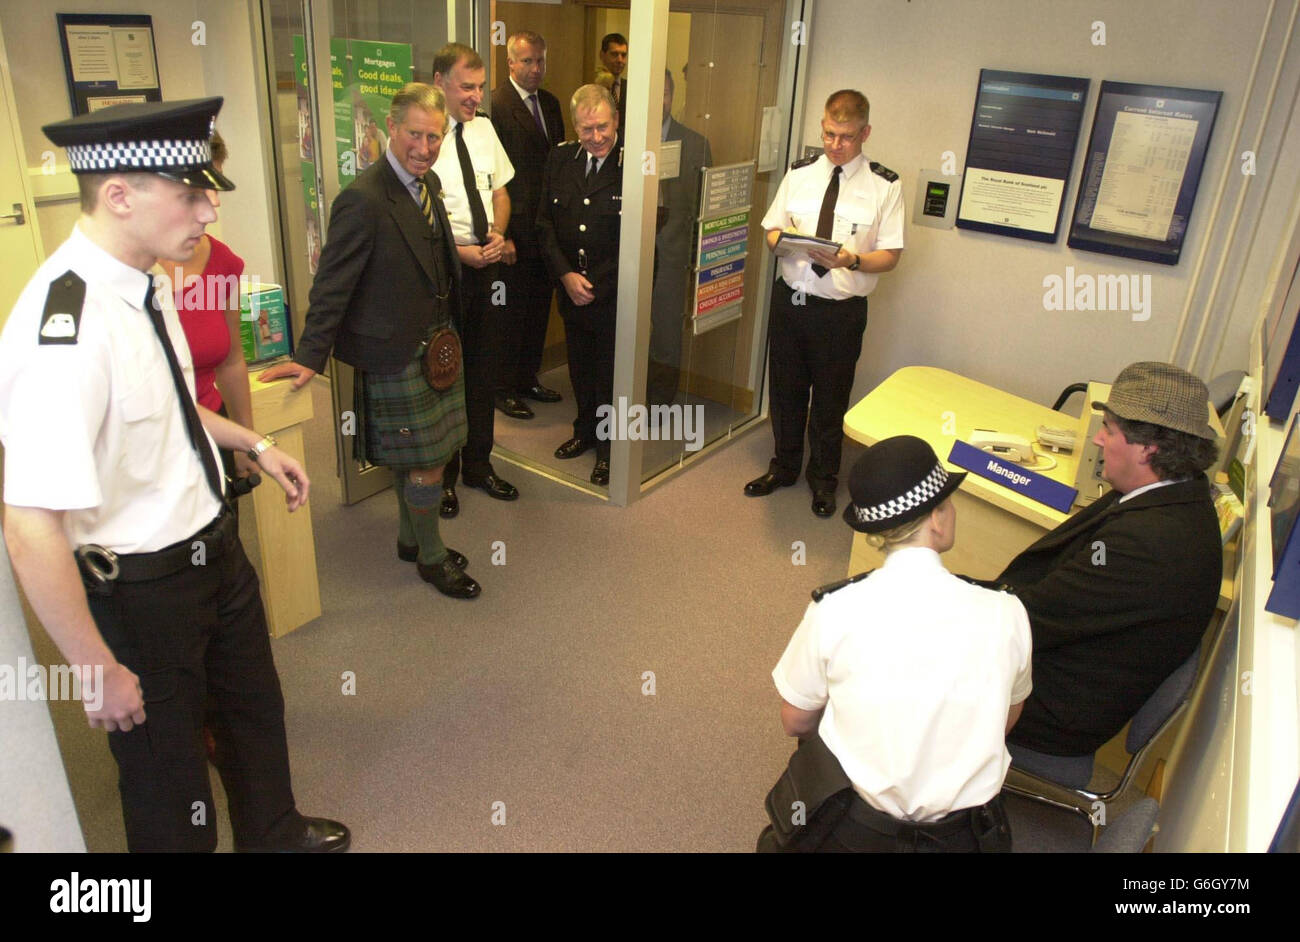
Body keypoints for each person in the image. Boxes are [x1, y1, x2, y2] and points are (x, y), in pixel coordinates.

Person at [0, 97, 348, 852]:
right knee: (167, 779)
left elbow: (172, 411)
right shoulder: (62, 329)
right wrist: (94, 669)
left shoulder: (148, 276)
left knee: (254, 710)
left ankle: (274, 834)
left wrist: (254, 443)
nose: (210, 208)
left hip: (213, 547)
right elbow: (28, 526)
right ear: (119, 195)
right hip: (140, 588)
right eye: (191, 192)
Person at [259, 83, 481, 600]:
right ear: (391, 128)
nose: (425, 148)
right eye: (415, 135)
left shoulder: (427, 186)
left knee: (428, 454)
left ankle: (410, 538)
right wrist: (308, 358)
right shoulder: (362, 198)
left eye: (436, 137)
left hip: (436, 345)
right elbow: (333, 285)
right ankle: (431, 556)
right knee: (426, 460)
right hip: (397, 350)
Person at [759, 436, 1031, 852]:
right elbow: (1007, 716)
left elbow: (795, 721)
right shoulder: (1007, 611)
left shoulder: (835, 609)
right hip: (965, 838)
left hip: (856, 830)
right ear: (937, 520)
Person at [996, 361, 1222, 758]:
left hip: (1051, 707)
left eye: (1109, 429)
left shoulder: (1149, 545)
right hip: (1058, 661)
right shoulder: (1172, 495)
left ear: (1148, 448)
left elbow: (1027, 620)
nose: (1098, 440)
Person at [747, 88, 904, 518]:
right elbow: (772, 233)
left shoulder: (884, 186)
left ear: (865, 132)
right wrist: (785, 242)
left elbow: (890, 256)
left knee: (831, 399)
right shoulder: (799, 174)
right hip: (792, 302)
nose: (835, 145)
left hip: (840, 312)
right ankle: (784, 467)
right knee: (785, 391)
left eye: (847, 137)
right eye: (830, 134)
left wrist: (851, 258)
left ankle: (824, 480)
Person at [431, 43, 520, 518]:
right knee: (445, 376)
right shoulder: (426, 136)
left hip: (488, 266)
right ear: (440, 81)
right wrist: (461, 252)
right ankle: (442, 475)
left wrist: (499, 234)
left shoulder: (483, 129)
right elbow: (423, 213)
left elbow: (501, 191)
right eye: (467, 87)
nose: (475, 96)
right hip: (447, 273)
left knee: (484, 369)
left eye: (480, 86)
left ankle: (479, 464)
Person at [159, 130, 257, 491]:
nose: (212, 208)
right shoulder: (122, 277)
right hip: (151, 449)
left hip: (210, 427)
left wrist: (246, 439)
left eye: (215, 190)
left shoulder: (223, 263)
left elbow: (231, 360)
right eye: (197, 193)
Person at [536, 84, 623, 487]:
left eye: (603, 126)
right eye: (587, 129)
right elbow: (544, 225)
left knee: (608, 372)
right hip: (570, 288)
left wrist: (595, 285)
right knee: (580, 367)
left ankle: (608, 450)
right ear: (575, 127)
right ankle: (584, 430)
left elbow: (642, 240)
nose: (596, 137)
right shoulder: (560, 158)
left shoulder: (633, 165)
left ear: (616, 120)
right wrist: (565, 276)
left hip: (613, 293)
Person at [490, 30, 566, 414]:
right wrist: (500, 234)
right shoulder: (496, 107)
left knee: (538, 309)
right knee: (509, 314)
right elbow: (491, 179)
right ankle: (502, 388)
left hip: (544, 229)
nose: (535, 69)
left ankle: (527, 378)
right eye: (527, 61)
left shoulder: (551, 105)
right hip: (513, 234)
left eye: (540, 60)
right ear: (510, 63)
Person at [648, 69, 712, 406]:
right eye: (652, 92)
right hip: (626, 255)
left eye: (665, 93)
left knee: (667, 332)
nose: (659, 100)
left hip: (672, 256)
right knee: (624, 327)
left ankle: (659, 400)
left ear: (673, 96)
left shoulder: (696, 144)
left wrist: (694, 261)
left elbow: (702, 210)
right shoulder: (618, 138)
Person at [595, 33, 629, 125]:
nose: (620, 60)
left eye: (623, 55)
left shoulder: (631, 88)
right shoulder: (592, 88)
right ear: (602, 55)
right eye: (614, 54)